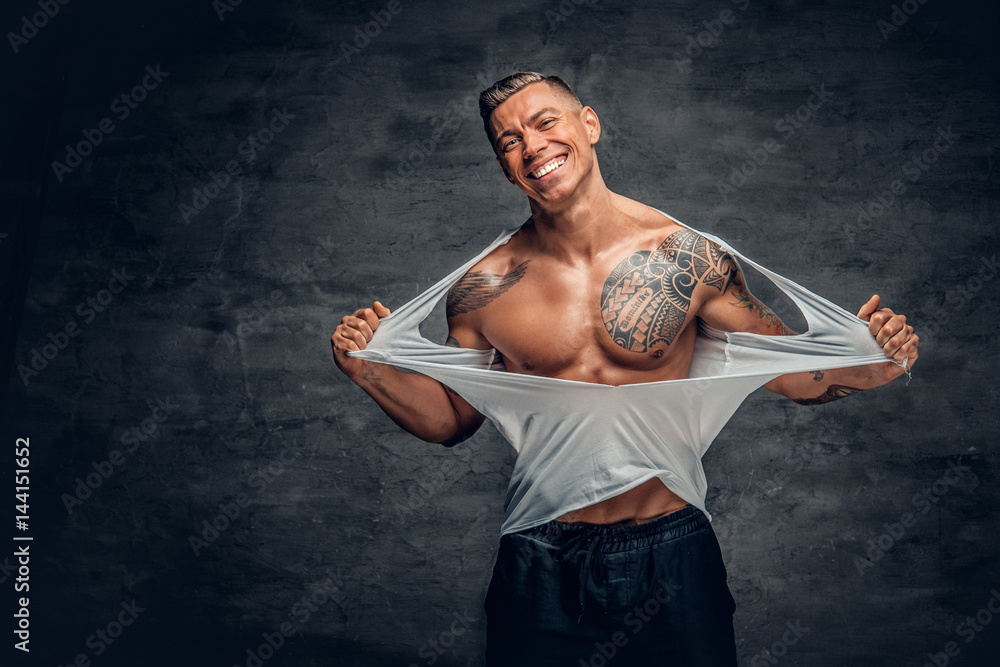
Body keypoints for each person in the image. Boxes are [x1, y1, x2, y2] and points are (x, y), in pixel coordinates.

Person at [331, 73, 919, 665]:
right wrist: (367, 370)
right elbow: (453, 419)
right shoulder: (484, 288)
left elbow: (795, 376)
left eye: (545, 123)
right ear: (506, 168)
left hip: (674, 551)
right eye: (509, 142)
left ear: (589, 124)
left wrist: (875, 365)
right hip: (540, 560)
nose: (531, 147)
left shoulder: (689, 259)